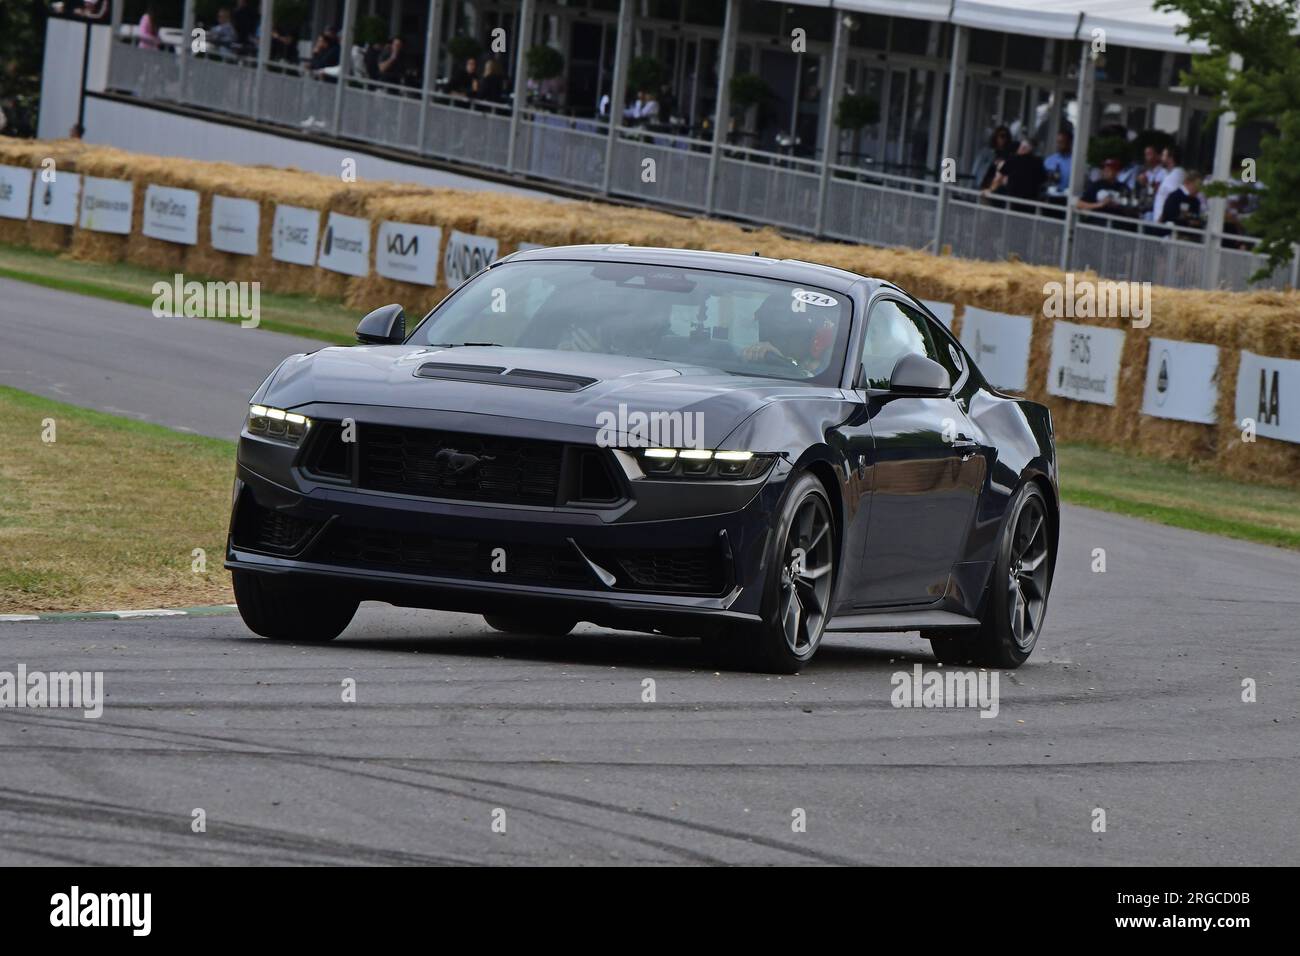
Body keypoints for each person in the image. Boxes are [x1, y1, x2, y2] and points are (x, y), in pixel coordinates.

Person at [741, 294, 836, 377]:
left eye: (794, 334)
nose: (773, 339)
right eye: (770, 328)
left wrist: (784, 362)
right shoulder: (749, 360)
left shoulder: (823, 370)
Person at [972, 125, 1012, 191]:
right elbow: (976, 166)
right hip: (986, 183)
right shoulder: (987, 151)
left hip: (1000, 186)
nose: (1004, 139)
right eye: (1002, 136)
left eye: (1006, 136)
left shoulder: (1009, 154)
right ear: (996, 136)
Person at [1043, 130, 1073, 196]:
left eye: (1061, 142)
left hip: (1068, 198)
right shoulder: (1049, 160)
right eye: (1057, 142)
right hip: (1051, 197)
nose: (1058, 145)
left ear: (1069, 143)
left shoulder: (1074, 161)